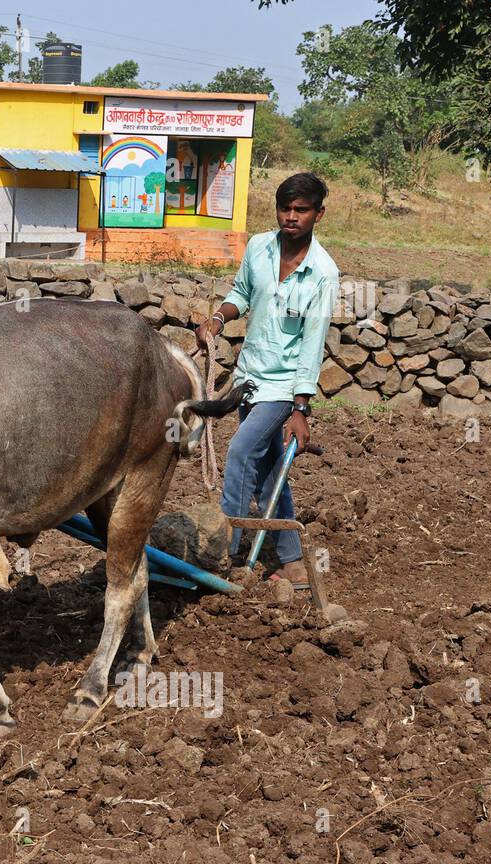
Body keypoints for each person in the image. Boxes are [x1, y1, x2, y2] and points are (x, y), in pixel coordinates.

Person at [196, 172, 339, 586]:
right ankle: (291, 560)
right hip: (249, 376)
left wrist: (300, 408)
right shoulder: (259, 247)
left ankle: (224, 549)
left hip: (282, 388)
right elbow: (240, 293)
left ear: (318, 214)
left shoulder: (322, 275)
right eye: (285, 208)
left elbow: (312, 346)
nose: (291, 217)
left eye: (301, 210)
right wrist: (218, 319)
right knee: (270, 467)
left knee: (241, 453)